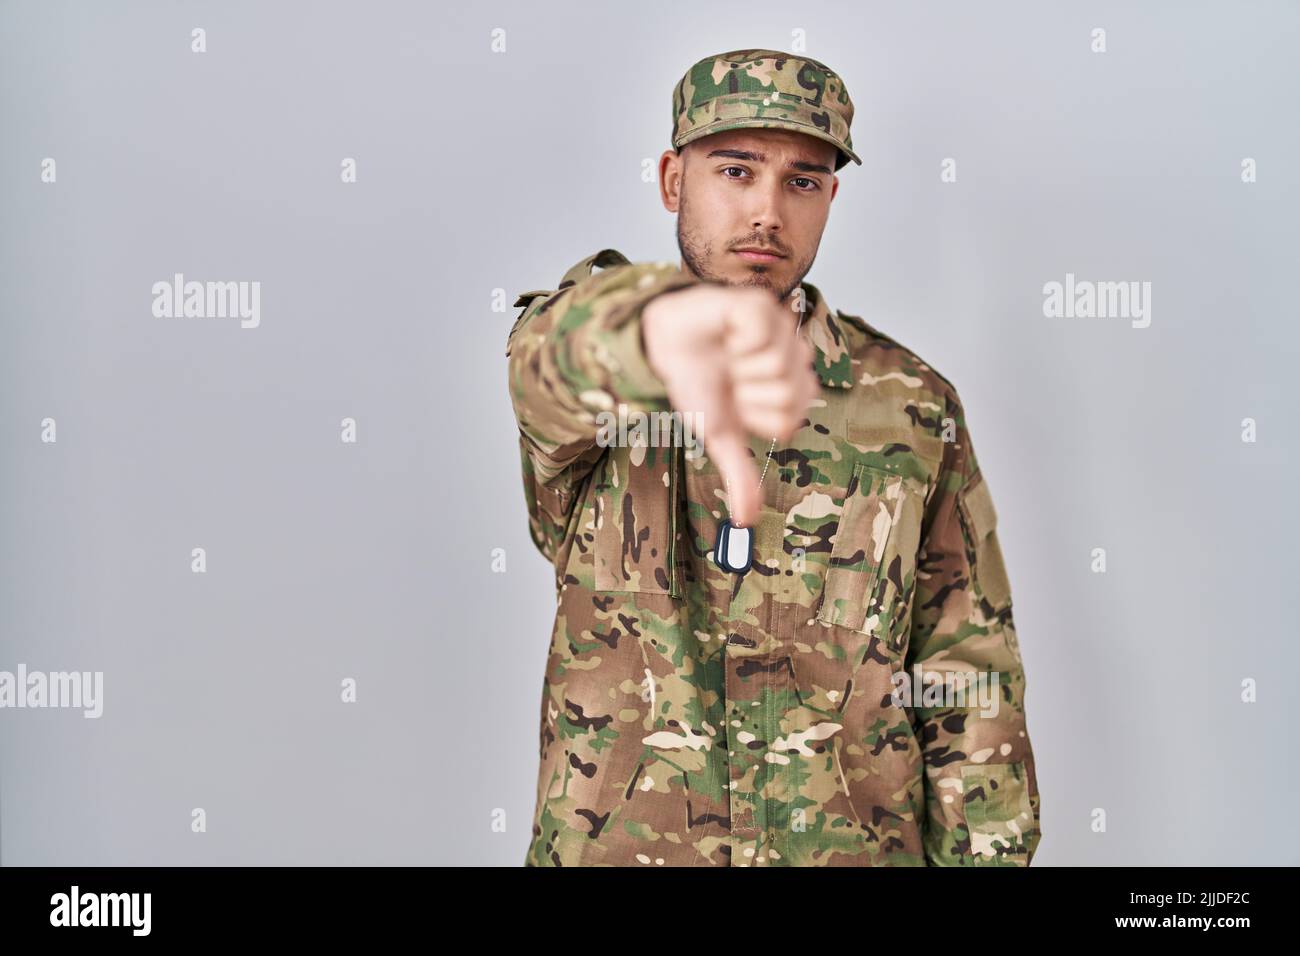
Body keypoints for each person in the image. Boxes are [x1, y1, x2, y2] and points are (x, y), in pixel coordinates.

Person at [506, 48, 1041, 866]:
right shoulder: (598, 373)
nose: (766, 213)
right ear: (670, 182)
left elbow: (967, 671)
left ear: (831, 196)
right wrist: (654, 328)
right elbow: (553, 357)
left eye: (802, 181)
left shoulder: (910, 404)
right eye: (735, 170)